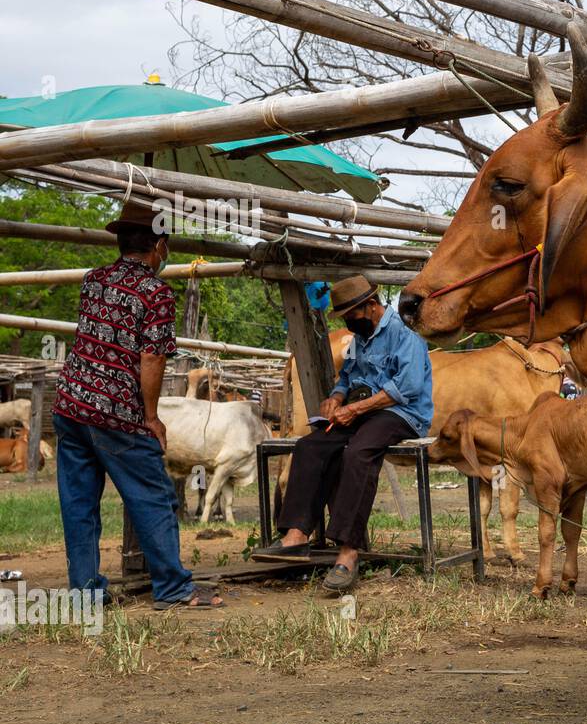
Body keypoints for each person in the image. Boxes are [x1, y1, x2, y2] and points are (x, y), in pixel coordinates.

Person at [52, 203, 222, 609]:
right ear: (159, 246)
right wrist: (151, 417)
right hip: (117, 414)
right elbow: (152, 358)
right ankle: (173, 588)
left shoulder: (93, 280)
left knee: (79, 503)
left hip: (70, 405)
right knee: (154, 497)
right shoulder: (156, 292)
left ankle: (84, 594)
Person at [254, 275, 433, 593]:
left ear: (372, 305)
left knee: (358, 452)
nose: (349, 322)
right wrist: (337, 397)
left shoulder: (405, 333)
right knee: (311, 446)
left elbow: (406, 388)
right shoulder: (360, 338)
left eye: (353, 315)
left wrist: (355, 410)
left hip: (403, 414)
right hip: (365, 412)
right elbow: (348, 376)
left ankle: (349, 553)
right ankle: (296, 535)